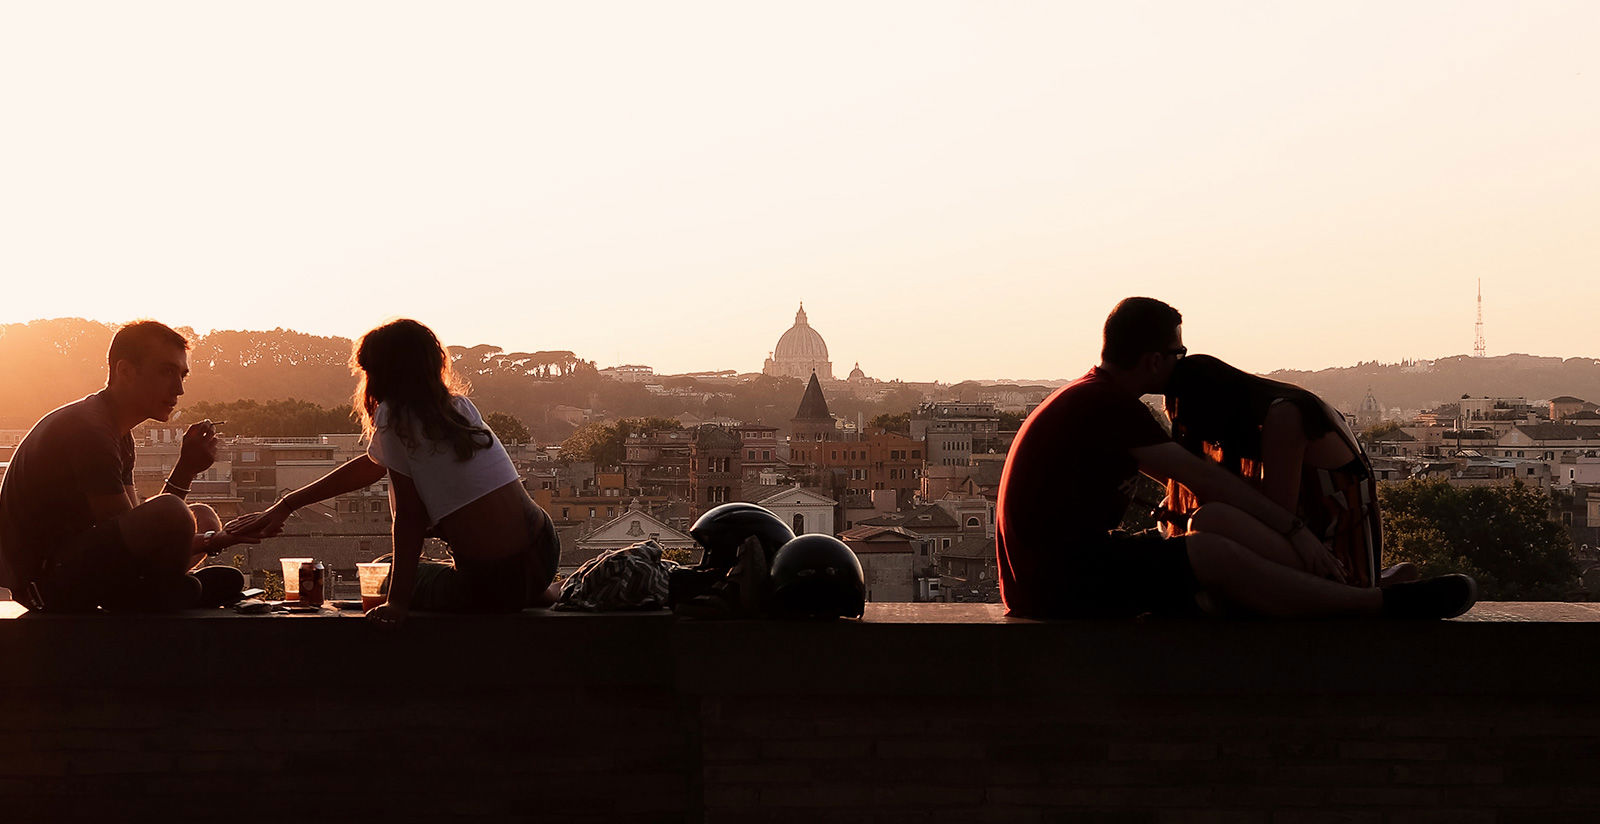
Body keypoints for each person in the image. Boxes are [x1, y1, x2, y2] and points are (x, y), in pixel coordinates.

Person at [995, 297, 1474, 620]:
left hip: (1051, 573)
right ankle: (1370, 605)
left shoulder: (1092, 400)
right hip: (1057, 581)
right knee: (1208, 553)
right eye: (1177, 352)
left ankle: (1343, 588)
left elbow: (1198, 490)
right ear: (1152, 360)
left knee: (1206, 536)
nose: (1181, 363)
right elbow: (1197, 476)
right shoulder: (1104, 405)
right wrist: (1292, 532)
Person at [227, 319, 558, 626]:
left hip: (490, 581)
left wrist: (397, 603)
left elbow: (410, 517)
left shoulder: (394, 416)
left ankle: (517, 591)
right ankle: (537, 590)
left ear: (380, 374)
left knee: (384, 573)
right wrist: (288, 505)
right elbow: (373, 465)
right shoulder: (458, 408)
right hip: (542, 549)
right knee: (418, 568)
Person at [0, 321, 254, 612]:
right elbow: (139, 539)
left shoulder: (118, 433)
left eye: (182, 375)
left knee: (203, 516)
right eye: (166, 371)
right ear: (125, 372)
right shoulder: (89, 430)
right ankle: (160, 594)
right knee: (175, 514)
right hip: (43, 586)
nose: (179, 389)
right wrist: (212, 541)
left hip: (75, 564)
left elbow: (135, 525)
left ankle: (166, 592)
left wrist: (186, 469)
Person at [1163, 354, 1417, 588]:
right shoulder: (1288, 408)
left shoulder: (1286, 416)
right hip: (1326, 551)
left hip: (1337, 562)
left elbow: (1279, 514)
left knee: (1209, 519)